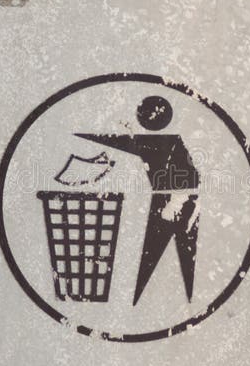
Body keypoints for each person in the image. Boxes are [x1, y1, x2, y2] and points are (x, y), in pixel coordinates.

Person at [76, 95, 200, 305]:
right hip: (174, 198)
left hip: (178, 200)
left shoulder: (169, 151)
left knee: (167, 252)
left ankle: (175, 293)